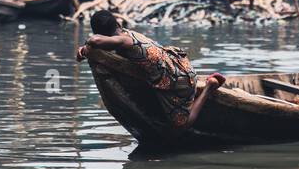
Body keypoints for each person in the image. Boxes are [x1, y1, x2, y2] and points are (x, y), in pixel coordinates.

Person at [77, 9, 225, 130]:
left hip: (180, 79)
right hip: (181, 66)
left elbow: (95, 40)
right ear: (117, 23)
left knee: (182, 124)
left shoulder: (124, 40)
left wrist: (87, 47)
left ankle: (209, 87)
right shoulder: (126, 33)